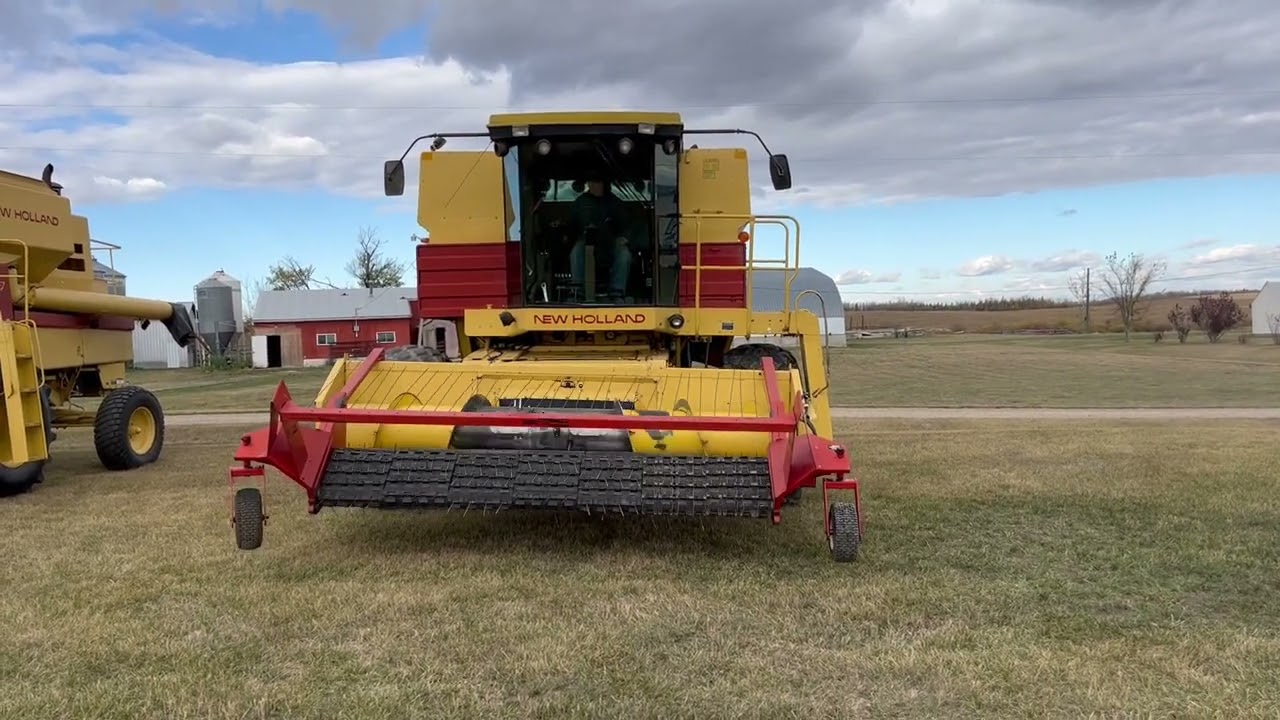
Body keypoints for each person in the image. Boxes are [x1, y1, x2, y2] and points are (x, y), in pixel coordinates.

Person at [568, 176, 632, 300]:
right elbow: (571, 225)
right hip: (586, 242)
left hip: (610, 243)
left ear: (604, 184)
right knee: (576, 251)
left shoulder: (615, 203)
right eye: (591, 182)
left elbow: (627, 224)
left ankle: (617, 291)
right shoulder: (580, 203)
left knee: (624, 254)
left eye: (597, 182)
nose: (594, 185)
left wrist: (624, 237)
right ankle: (577, 291)